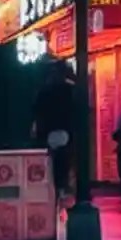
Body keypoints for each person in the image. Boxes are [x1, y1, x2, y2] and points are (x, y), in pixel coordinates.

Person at [32, 61, 75, 197]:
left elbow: (37, 110)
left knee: (50, 159)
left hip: (48, 129)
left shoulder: (44, 90)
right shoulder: (70, 90)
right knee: (64, 159)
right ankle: (62, 186)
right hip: (65, 127)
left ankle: (50, 185)